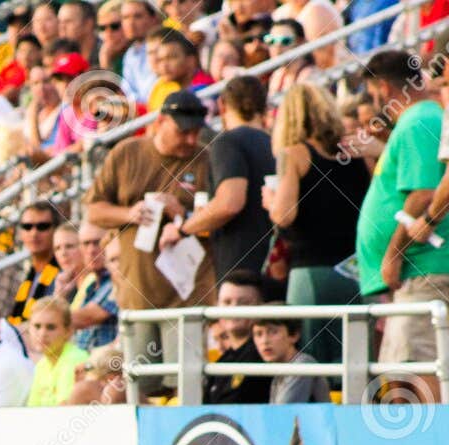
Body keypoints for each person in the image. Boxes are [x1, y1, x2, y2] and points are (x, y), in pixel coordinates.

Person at [84, 89, 215, 385]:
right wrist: (129, 213)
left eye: (196, 133)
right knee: (142, 385)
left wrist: (182, 216)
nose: (191, 141)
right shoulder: (127, 153)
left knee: (184, 383)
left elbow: (219, 217)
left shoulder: (205, 159)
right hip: (137, 292)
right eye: (183, 132)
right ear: (161, 122)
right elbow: (94, 210)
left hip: (185, 295)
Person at [363, 52, 449, 403]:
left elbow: (424, 192)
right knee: (403, 379)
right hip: (418, 276)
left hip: (422, 272)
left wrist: (393, 253)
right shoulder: (420, 120)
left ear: (382, 88)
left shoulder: (418, 120)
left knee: (413, 380)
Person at [265, 84, 367, 369]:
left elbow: (284, 215)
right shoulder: (357, 152)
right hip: (354, 271)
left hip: (312, 273)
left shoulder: (295, 153)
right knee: (354, 364)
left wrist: (271, 201)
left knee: (313, 365)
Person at [174, 75, 275, 281]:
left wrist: (183, 229)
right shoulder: (275, 144)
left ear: (222, 105)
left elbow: (229, 203)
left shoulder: (228, 142)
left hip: (239, 269)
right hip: (272, 263)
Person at [205, 271, 267, 404]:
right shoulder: (221, 362)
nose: (233, 309)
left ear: (261, 307)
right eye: (227, 302)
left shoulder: (266, 355)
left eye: (243, 303)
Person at [26, 298, 90, 405]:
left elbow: (63, 411)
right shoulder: (41, 366)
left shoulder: (76, 359)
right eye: (37, 326)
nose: (42, 334)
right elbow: (32, 411)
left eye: (51, 327)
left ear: (68, 331)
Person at [8, 201, 63, 324]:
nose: (34, 233)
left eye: (42, 226)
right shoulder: (27, 276)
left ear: (56, 229)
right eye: (27, 227)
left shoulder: (64, 273)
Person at [252, 316, 329, 403]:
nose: (265, 341)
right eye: (258, 334)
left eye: (273, 332)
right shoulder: (281, 370)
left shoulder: (302, 366)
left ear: (294, 335)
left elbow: (283, 413)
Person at [70, 222, 119, 349]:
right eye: (86, 244)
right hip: (85, 363)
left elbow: (87, 317)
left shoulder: (116, 280)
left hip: (106, 365)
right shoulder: (90, 285)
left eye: (97, 242)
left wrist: (44, 319)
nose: (91, 250)